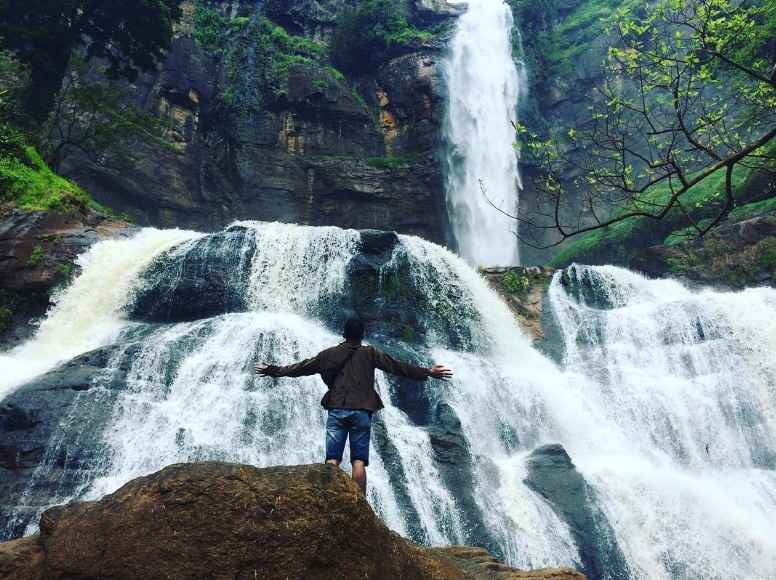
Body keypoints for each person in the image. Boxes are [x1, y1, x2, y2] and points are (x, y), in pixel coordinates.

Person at [255, 318, 453, 494]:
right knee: (358, 462)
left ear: (344, 334)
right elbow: (397, 366)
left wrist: (273, 370)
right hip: (361, 410)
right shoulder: (370, 353)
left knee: (332, 460)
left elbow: (301, 367)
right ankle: (360, 505)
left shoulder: (328, 354)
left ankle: (330, 499)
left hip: (337, 408)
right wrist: (428, 372)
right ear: (362, 335)